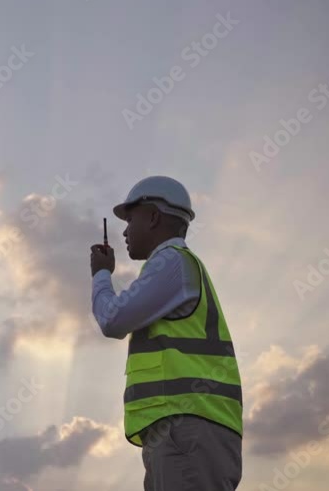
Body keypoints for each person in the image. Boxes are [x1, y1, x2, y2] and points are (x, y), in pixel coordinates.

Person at [89, 176, 243, 491]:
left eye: (130, 219)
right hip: (184, 427)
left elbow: (112, 319)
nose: (125, 230)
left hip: (187, 425)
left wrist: (101, 274)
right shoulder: (177, 266)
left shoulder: (172, 262)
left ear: (154, 217)